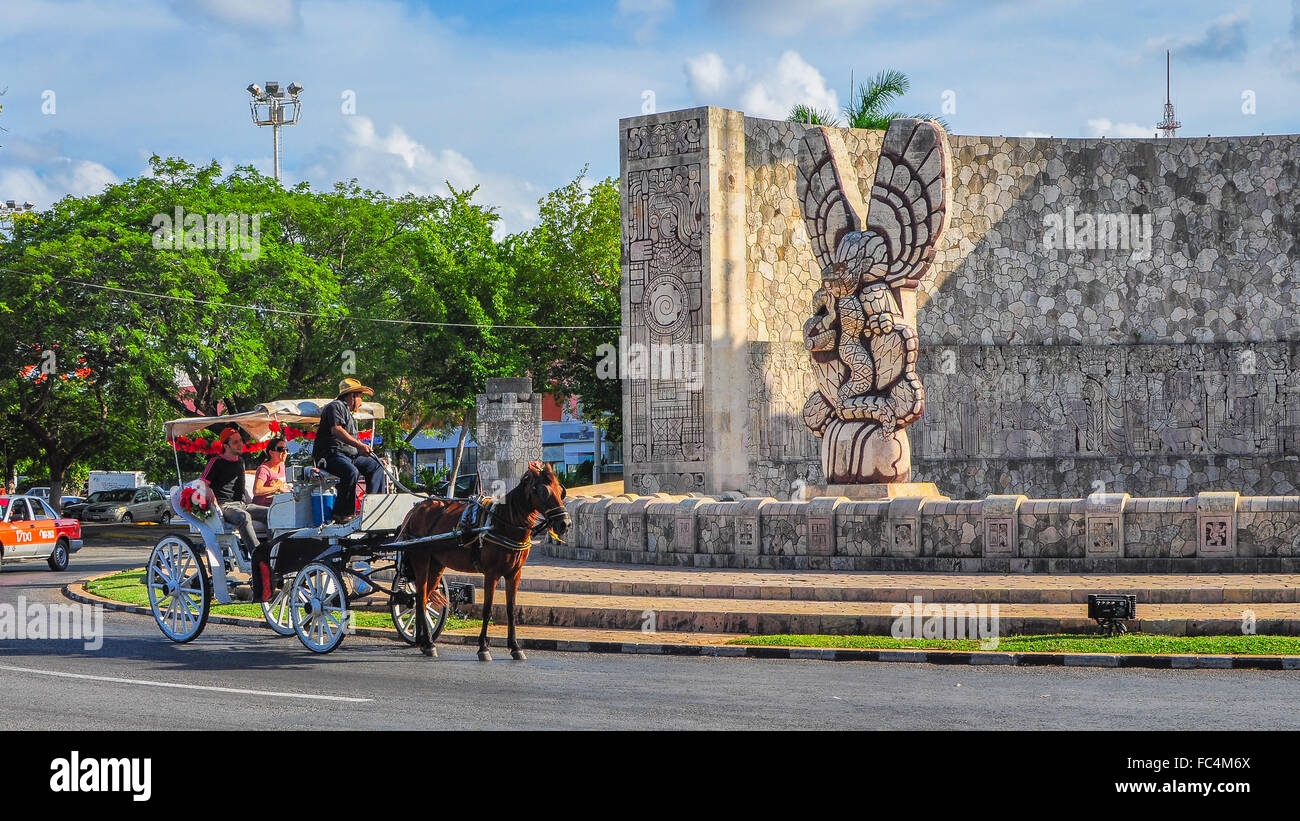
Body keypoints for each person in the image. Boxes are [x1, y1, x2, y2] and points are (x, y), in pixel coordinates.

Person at [313, 378, 387, 525]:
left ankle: (374, 509)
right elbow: (336, 430)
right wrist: (359, 446)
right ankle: (342, 514)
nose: (361, 402)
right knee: (351, 471)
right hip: (329, 456)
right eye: (360, 396)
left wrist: (370, 455)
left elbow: (352, 446)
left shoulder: (348, 413)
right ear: (352, 395)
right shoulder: (335, 407)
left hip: (348, 456)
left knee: (377, 466)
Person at [200, 427, 268, 551]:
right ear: (226, 446)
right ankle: (257, 554)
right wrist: (215, 505)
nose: (240, 444)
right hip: (225, 506)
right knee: (244, 517)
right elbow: (203, 483)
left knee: (271, 513)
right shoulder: (216, 462)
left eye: (240, 440)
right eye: (235, 442)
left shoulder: (240, 461)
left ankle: (273, 549)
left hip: (242, 504)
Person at [252, 436, 293, 506]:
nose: (285, 452)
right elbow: (257, 490)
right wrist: (278, 488)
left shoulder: (282, 466)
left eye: (286, 449)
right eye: (281, 449)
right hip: (263, 507)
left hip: (278, 505)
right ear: (271, 453)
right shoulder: (264, 469)